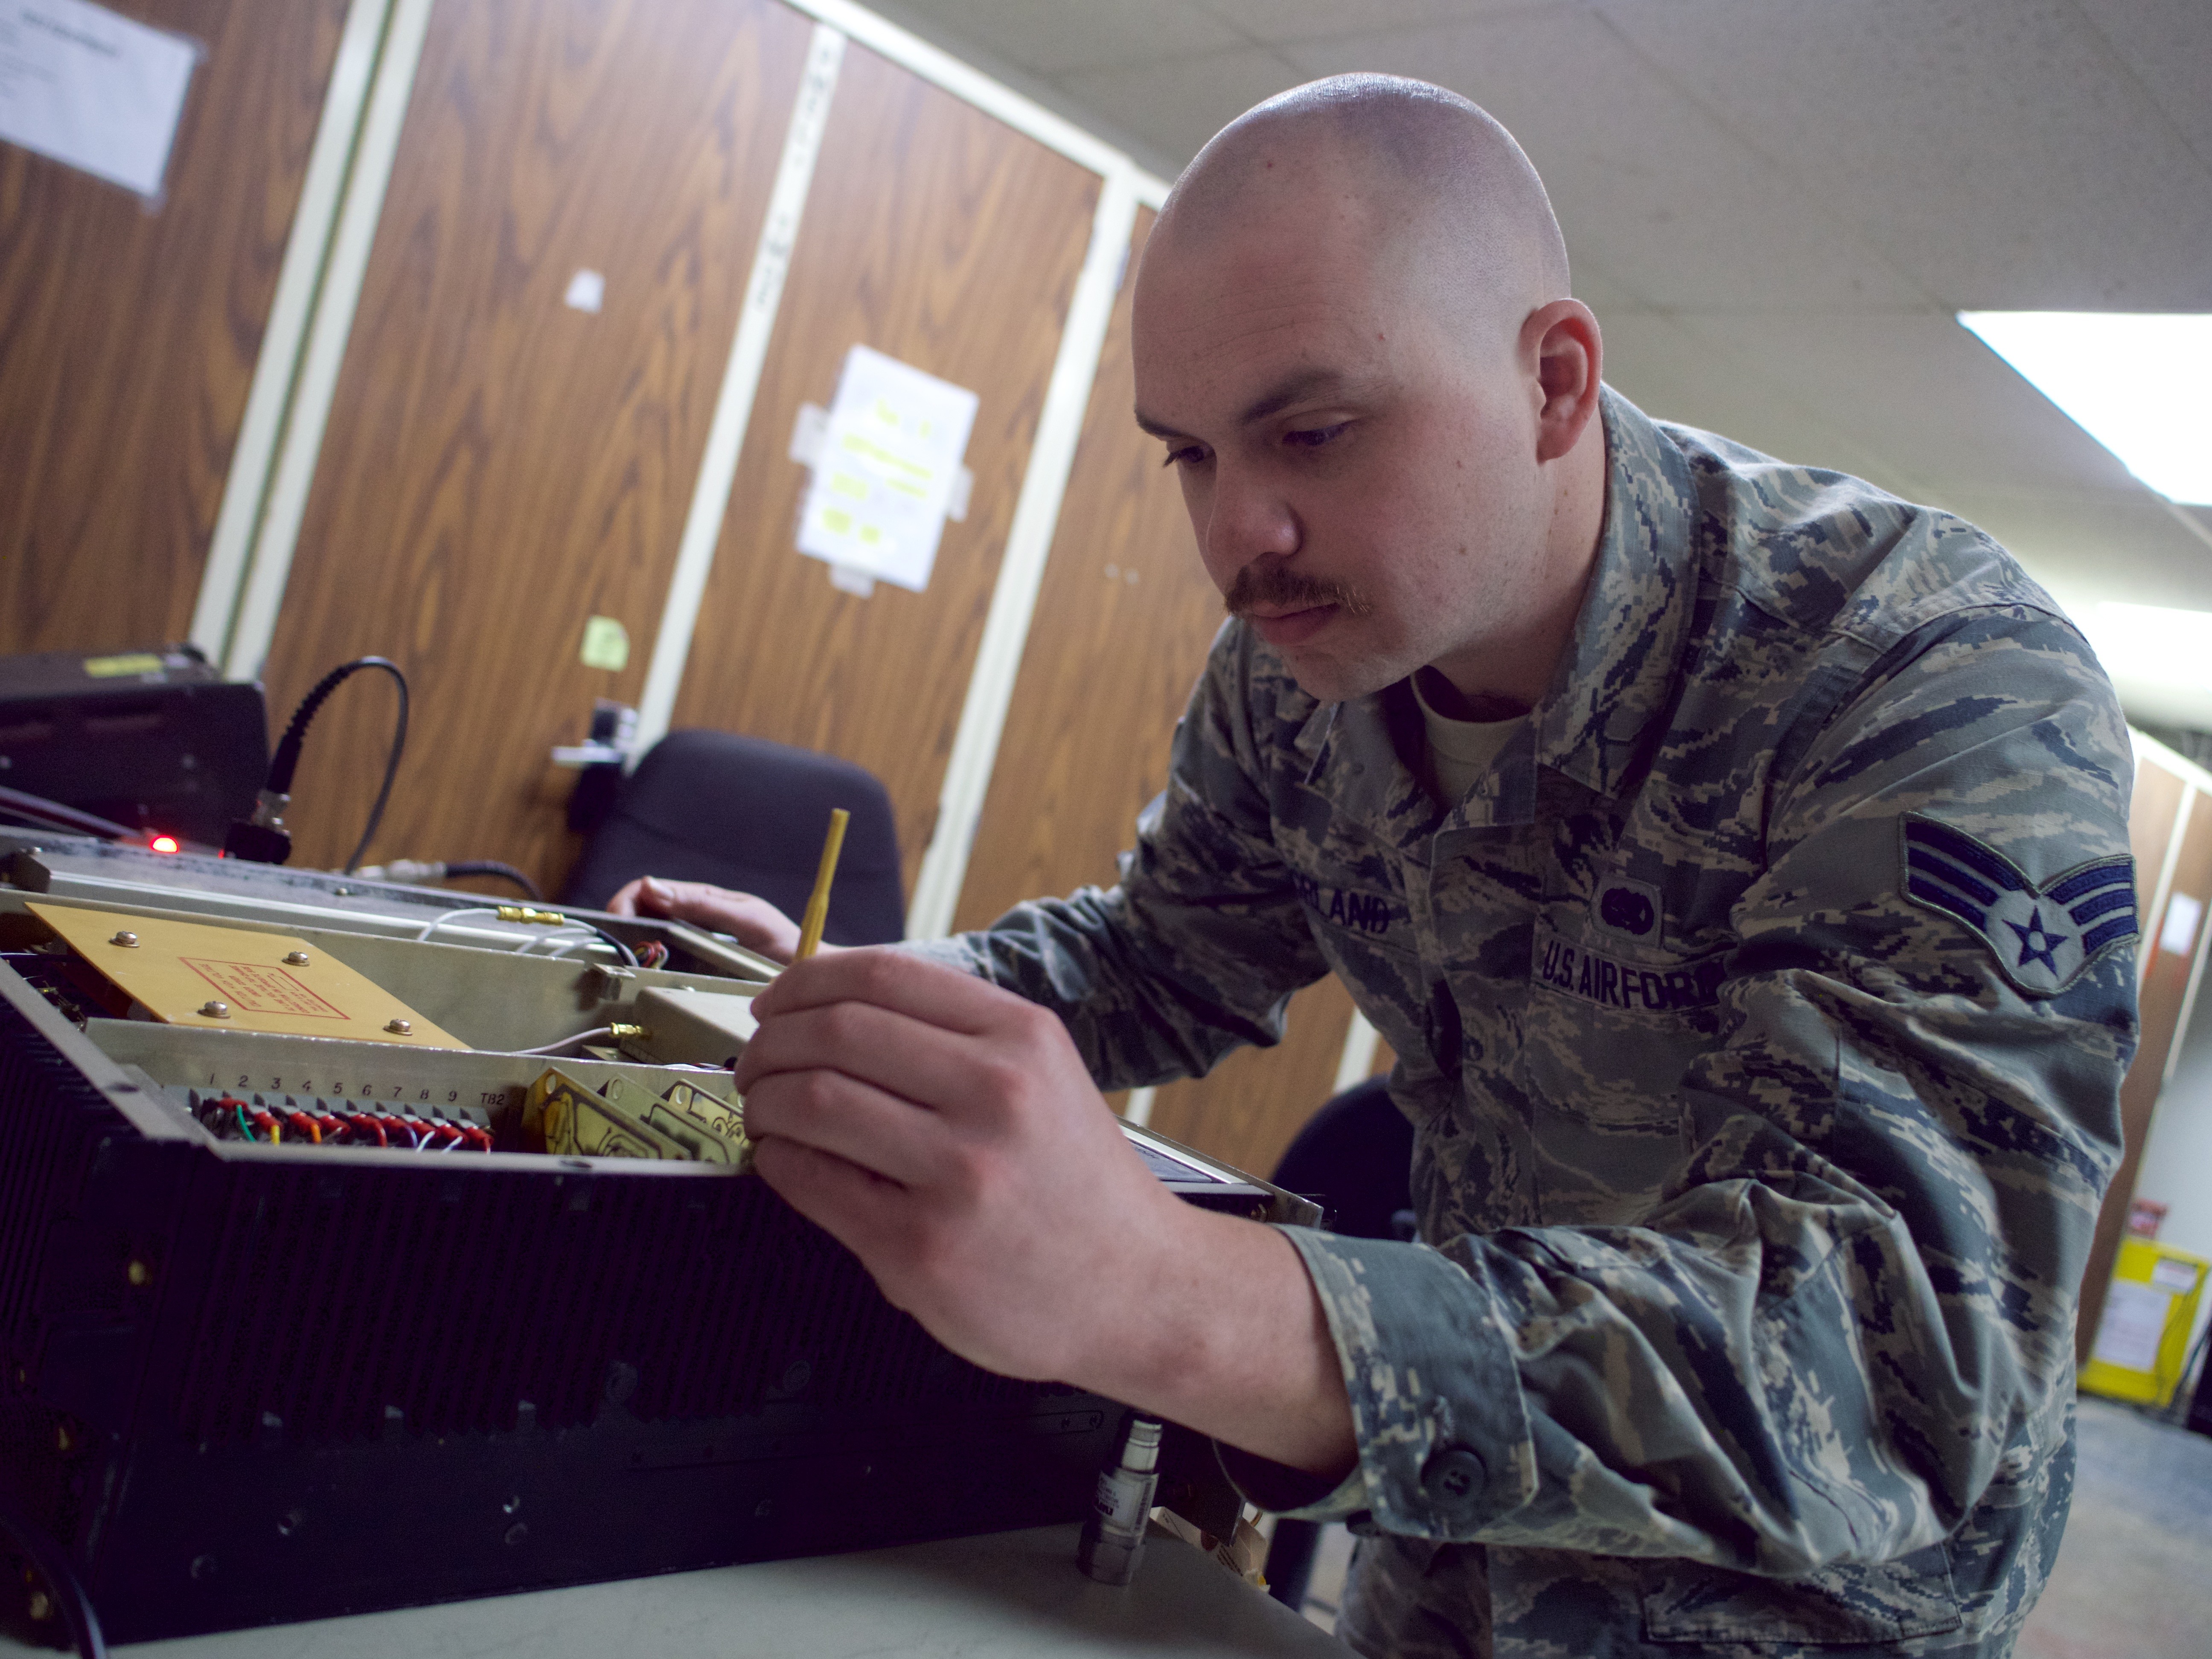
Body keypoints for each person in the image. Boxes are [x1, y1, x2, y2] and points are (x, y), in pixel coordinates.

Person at [609, 75, 2138, 1659]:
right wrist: (859, 999)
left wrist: (1165, 1292)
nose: (1239, 533)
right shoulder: (1299, 670)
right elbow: (1155, 959)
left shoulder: (1925, 679)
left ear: (1553, 381)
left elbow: (1897, 1374)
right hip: (1447, 1568)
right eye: (1188, 457)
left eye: (1314, 433)